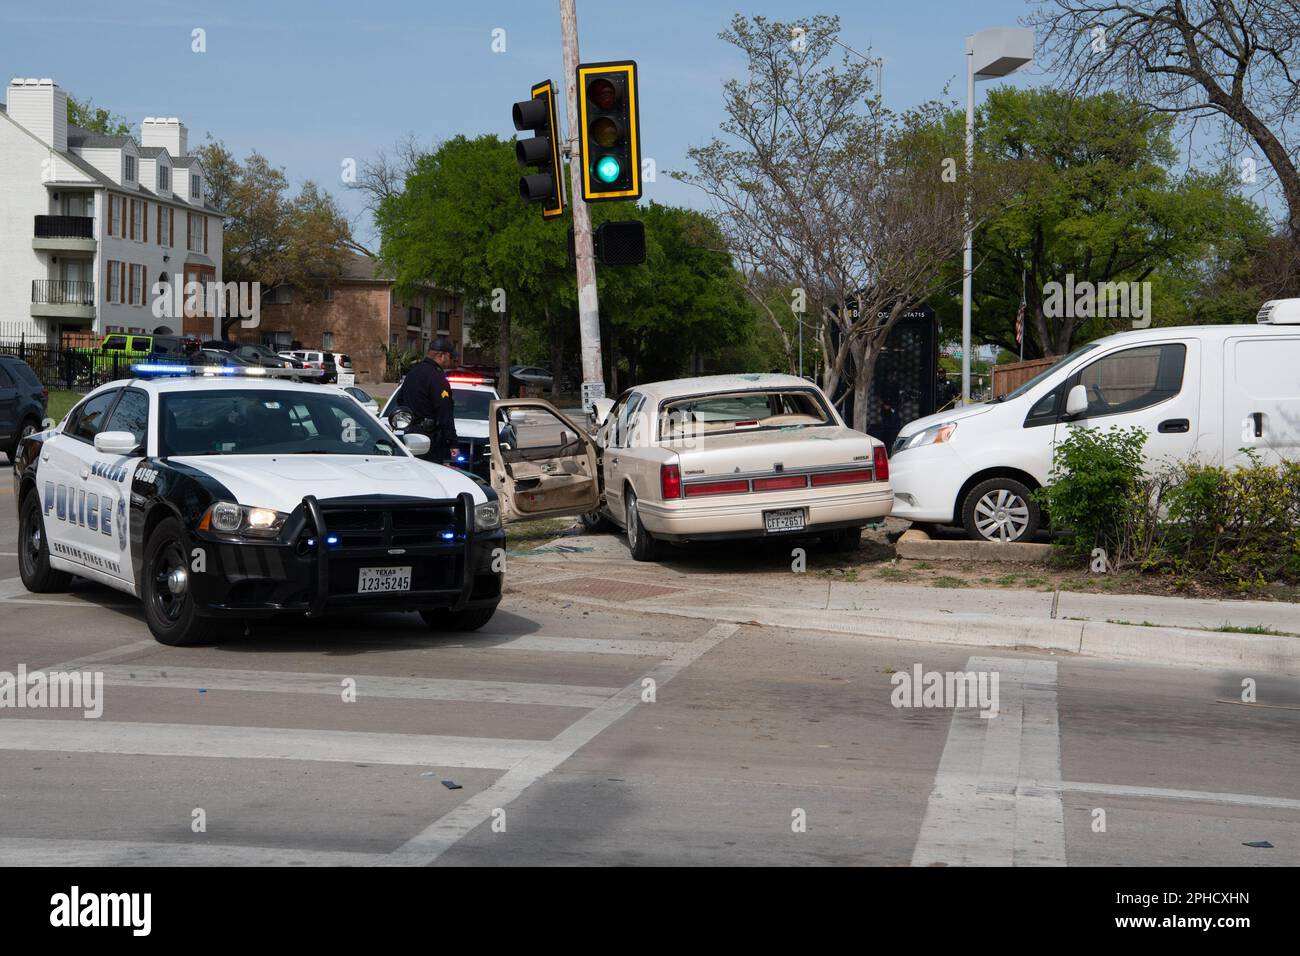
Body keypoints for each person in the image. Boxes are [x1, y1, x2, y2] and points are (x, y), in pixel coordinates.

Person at [398, 335, 460, 464]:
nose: (452, 360)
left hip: (411, 434)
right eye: (450, 356)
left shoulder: (412, 373)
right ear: (442, 356)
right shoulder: (437, 377)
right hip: (431, 438)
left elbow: (400, 400)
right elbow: (444, 412)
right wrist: (453, 442)